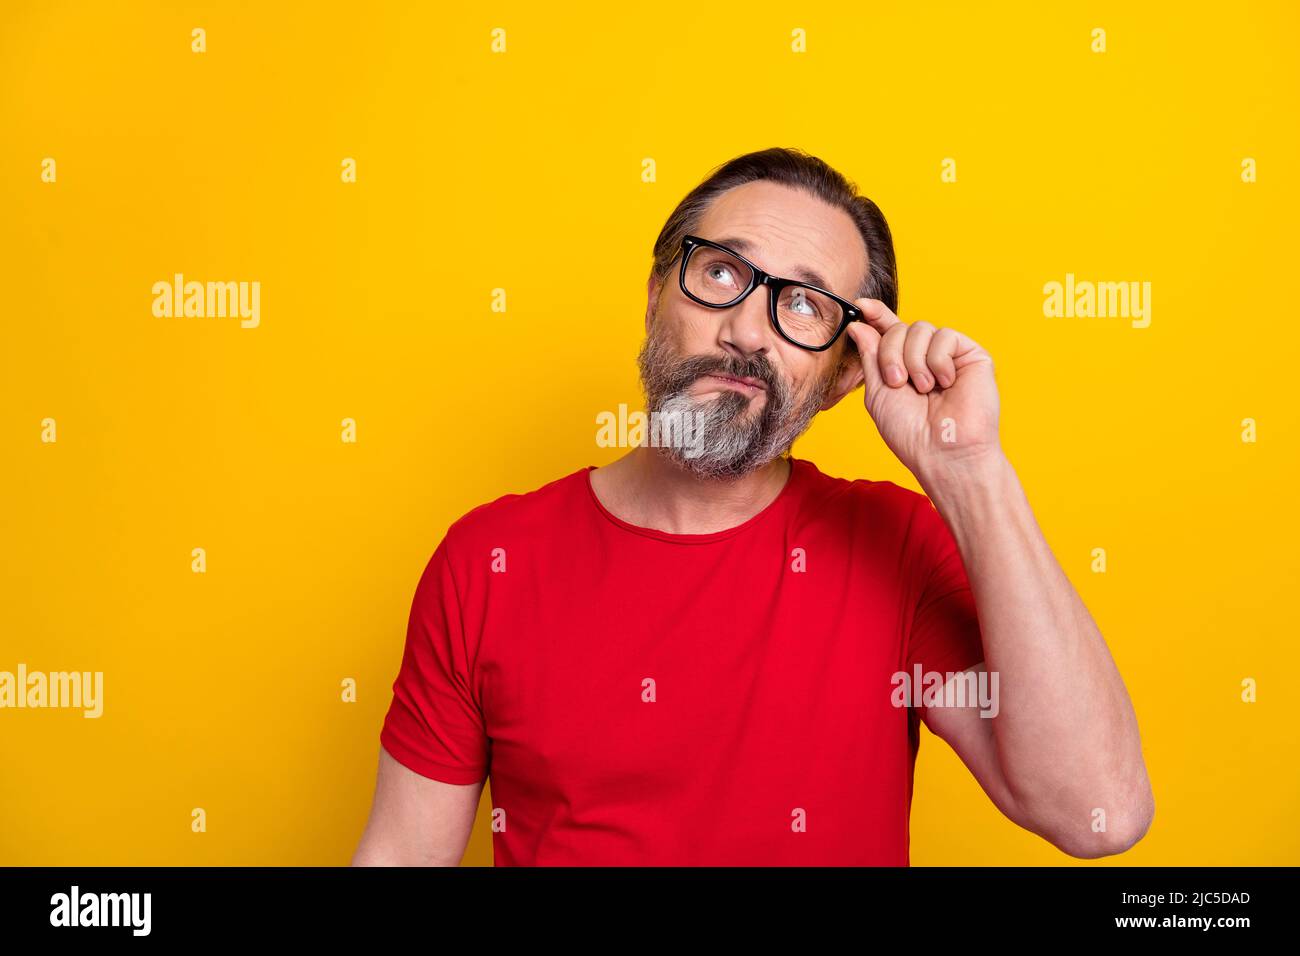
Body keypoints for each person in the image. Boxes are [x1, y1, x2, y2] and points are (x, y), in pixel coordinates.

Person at [352, 147, 1153, 866]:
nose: (747, 330)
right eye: (723, 274)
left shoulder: (896, 548)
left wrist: (971, 472)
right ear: (656, 296)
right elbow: (401, 853)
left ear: (845, 373)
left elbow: (1099, 814)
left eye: (804, 305)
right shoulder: (488, 560)